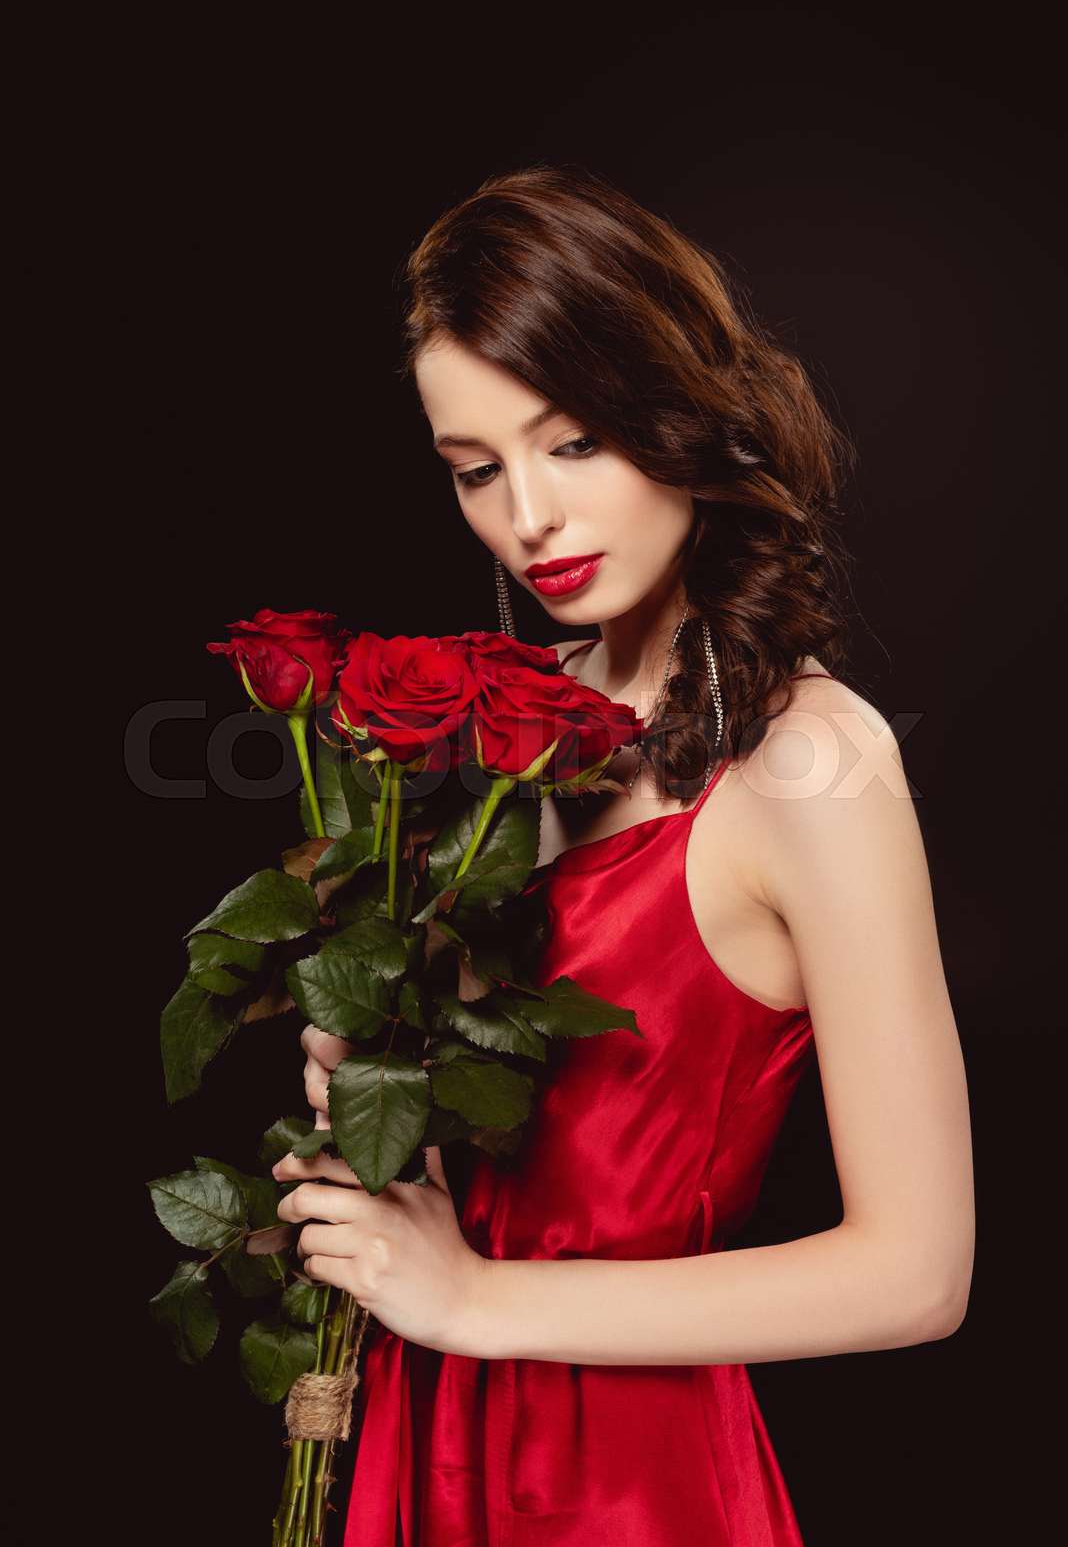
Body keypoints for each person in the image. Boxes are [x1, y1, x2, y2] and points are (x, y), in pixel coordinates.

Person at [272, 166, 975, 1546]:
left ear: (679, 415)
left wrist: (473, 1298)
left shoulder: (814, 766)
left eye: (574, 442)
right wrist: (377, 1071)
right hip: (420, 1422)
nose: (525, 515)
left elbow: (919, 1271)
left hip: (619, 1475)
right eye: (476, 470)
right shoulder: (521, 727)